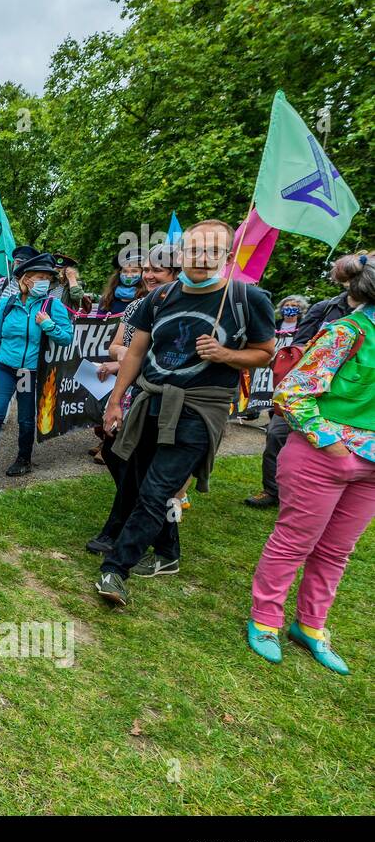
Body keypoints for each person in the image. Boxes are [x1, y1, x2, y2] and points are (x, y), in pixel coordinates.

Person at [93, 219, 275, 606]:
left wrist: (226, 354)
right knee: (143, 483)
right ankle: (168, 554)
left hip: (199, 408)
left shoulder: (248, 299)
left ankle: (116, 568)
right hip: (150, 400)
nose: (203, 258)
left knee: (158, 489)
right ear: (181, 254)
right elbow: (136, 352)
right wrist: (115, 401)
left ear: (227, 256)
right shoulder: (158, 299)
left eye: (213, 251)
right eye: (195, 249)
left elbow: (265, 352)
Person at [245, 253, 375, 675]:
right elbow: (293, 393)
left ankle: (311, 625)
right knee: (295, 540)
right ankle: (265, 619)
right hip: (323, 458)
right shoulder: (347, 331)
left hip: (370, 469)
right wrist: (332, 445)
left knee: (337, 550)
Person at [87, 243, 180, 553]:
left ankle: (124, 527)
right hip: (130, 391)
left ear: (175, 273)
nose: (149, 275)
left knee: (141, 463)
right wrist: (126, 355)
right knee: (114, 452)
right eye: (147, 270)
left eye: (157, 270)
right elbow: (116, 346)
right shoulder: (136, 307)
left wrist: (134, 358)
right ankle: (134, 517)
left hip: (163, 397)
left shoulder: (182, 311)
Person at [247, 275, 363, 509]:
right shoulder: (326, 308)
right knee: (276, 435)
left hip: (346, 395)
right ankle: (271, 490)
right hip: (309, 388)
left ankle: (315, 498)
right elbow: (297, 346)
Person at [0, 251, 73, 480]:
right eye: (39, 277)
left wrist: (48, 325)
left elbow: (66, 338)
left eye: (47, 278)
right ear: (25, 279)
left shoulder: (52, 306)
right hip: (4, 368)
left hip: (29, 372)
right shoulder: (8, 303)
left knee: (25, 418)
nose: (44, 282)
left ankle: (24, 459)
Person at [96, 249, 146, 317]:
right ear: (119, 273)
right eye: (125, 271)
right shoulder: (107, 298)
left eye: (134, 271)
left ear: (142, 273)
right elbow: (100, 323)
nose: (129, 276)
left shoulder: (148, 296)